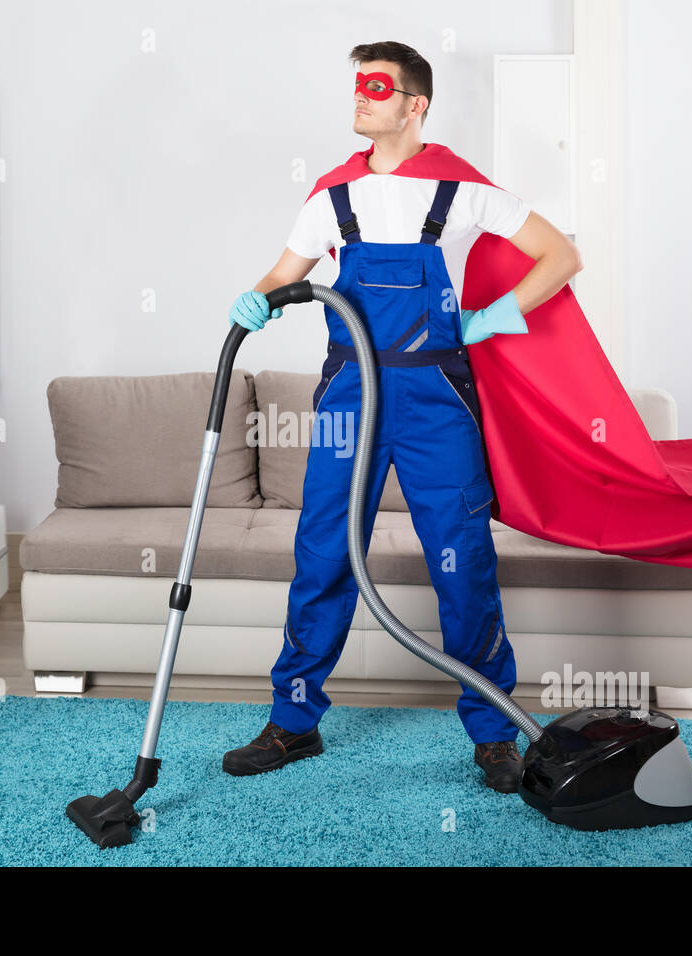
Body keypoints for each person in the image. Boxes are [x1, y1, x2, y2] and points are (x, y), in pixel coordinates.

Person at [222, 41, 583, 792]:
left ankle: (492, 733)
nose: (361, 99)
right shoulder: (331, 195)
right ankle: (293, 724)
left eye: (376, 89)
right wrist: (255, 302)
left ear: (415, 105)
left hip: (435, 399)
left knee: (462, 560)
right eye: (357, 87)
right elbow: (285, 276)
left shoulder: (463, 188)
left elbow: (560, 255)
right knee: (323, 552)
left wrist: (494, 317)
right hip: (351, 394)